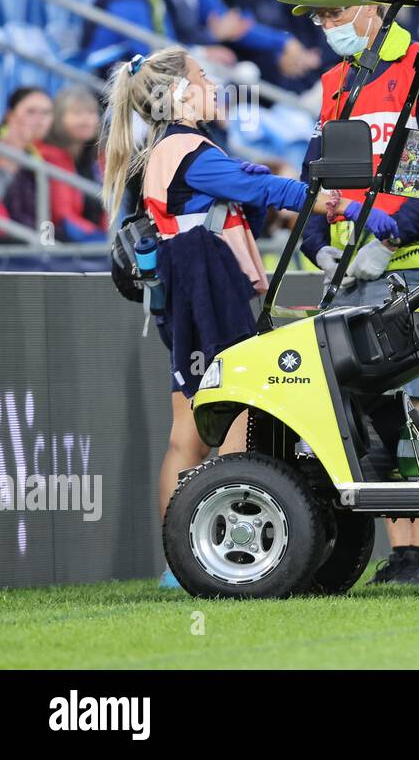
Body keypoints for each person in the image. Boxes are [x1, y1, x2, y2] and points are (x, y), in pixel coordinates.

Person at [101, 46, 334, 586]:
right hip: (205, 295)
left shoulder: (176, 147)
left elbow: (241, 185)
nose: (214, 86)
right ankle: (207, 558)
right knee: (232, 416)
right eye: (204, 77)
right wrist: (328, 201)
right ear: (179, 93)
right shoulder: (186, 148)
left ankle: (181, 562)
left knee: (190, 427)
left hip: (191, 295)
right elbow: (261, 190)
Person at [296, 1, 419, 587]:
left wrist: (391, 238)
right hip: (347, 275)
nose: (327, 27)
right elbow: (315, 176)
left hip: (410, 272)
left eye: (335, 13)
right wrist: (317, 244)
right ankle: (388, 552)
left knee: (415, 409)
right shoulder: (334, 84)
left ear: (373, 10)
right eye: (317, 19)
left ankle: (418, 555)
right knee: (362, 415)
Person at [40, 85, 108, 241]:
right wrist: (99, 239)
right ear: (58, 118)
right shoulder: (50, 155)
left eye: (91, 113)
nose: (86, 120)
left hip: (94, 237)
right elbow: (62, 215)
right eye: (77, 113)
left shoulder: (98, 157)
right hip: (62, 238)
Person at [0, 87, 54, 233]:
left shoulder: (35, 157)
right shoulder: (3, 149)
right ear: (10, 115)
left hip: (28, 240)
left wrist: (47, 242)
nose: (40, 119)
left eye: (46, 113)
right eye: (31, 111)